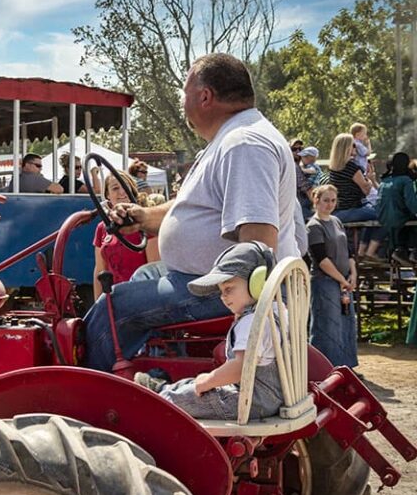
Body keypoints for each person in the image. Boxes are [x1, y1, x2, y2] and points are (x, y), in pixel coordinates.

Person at [84, 53, 299, 372]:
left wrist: (246, 313)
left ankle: (83, 393)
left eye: (184, 94)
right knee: (142, 278)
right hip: (198, 279)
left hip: (221, 289)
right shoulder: (228, 139)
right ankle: (141, 374)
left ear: (205, 96)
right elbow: (195, 208)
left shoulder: (244, 144)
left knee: (112, 310)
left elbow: (258, 246)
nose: (183, 103)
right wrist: (142, 217)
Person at [134, 242, 282, 421]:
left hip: (250, 402)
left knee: (193, 395)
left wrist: (210, 380)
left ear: (257, 283)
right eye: (221, 292)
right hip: (270, 397)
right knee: (197, 384)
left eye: (229, 289)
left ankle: (157, 398)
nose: (223, 297)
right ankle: (164, 388)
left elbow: (240, 368)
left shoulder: (252, 322)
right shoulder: (277, 311)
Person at [306, 185, 358, 370]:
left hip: (344, 281)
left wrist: (352, 274)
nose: (330, 204)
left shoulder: (337, 221)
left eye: (333, 200)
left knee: (346, 323)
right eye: (326, 200)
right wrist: (342, 280)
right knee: (327, 326)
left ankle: (346, 366)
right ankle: (324, 368)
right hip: (325, 281)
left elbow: (349, 250)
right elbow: (322, 259)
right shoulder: (313, 226)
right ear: (316, 201)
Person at [93, 171, 160, 299]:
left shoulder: (144, 223)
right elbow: (99, 271)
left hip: (142, 299)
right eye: (115, 188)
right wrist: (97, 305)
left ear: (132, 191)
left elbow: (155, 270)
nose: (121, 192)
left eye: (125, 187)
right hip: (114, 300)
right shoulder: (102, 228)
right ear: (107, 195)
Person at [327, 133, 384, 260]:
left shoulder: (333, 168)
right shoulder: (352, 167)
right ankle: (369, 251)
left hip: (339, 211)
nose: (356, 148)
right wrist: (370, 179)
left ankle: (363, 250)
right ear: (346, 147)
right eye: (353, 145)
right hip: (352, 209)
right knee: (385, 214)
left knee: (372, 212)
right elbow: (366, 190)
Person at [377, 152, 417, 266]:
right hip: (398, 217)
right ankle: (414, 252)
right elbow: (412, 203)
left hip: (383, 217)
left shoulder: (384, 181)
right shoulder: (405, 180)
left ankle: (401, 250)